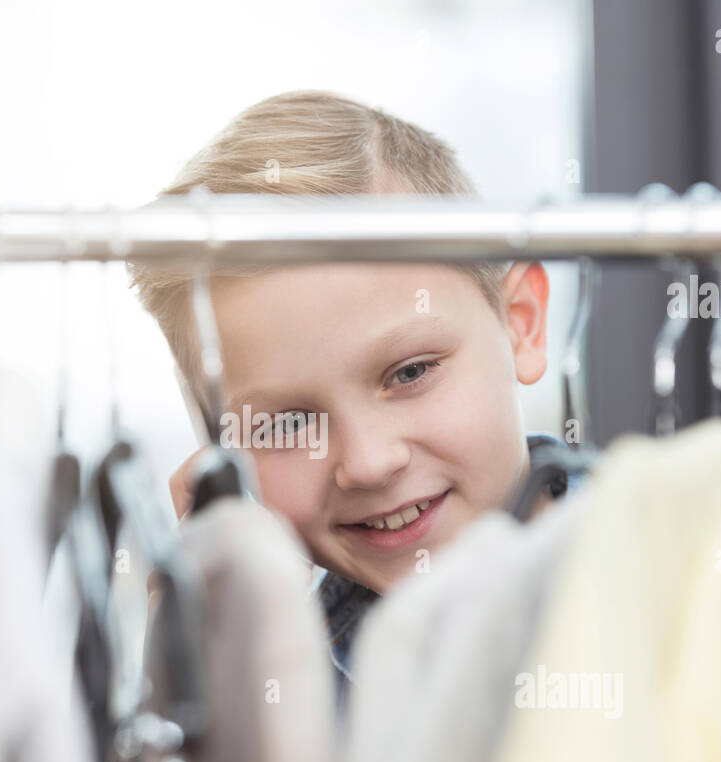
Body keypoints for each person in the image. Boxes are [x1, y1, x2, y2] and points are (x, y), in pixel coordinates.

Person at [128, 90, 569, 690]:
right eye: (285, 424)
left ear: (521, 323)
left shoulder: (679, 593)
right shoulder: (277, 693)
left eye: (410, 372)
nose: (367, 461)